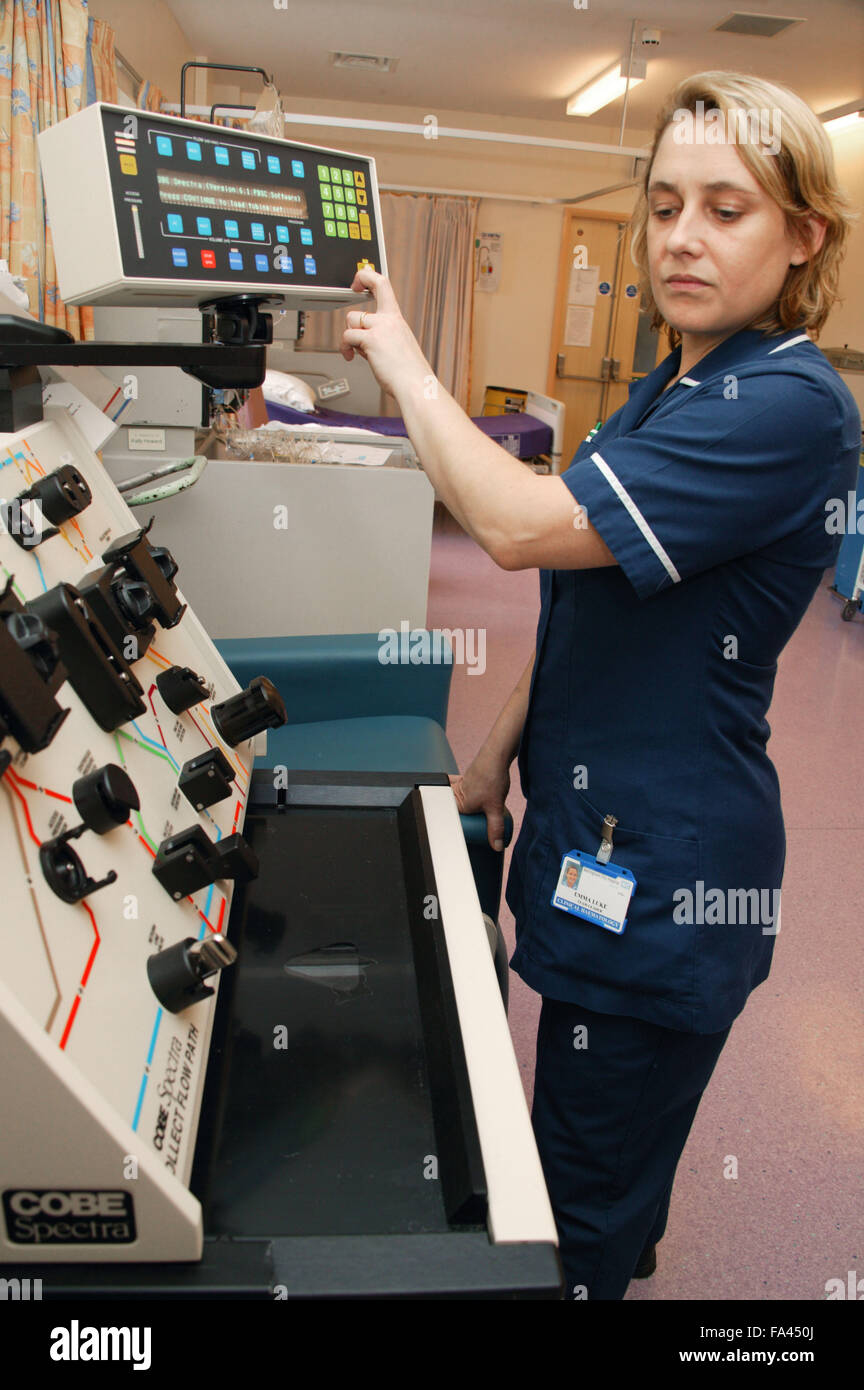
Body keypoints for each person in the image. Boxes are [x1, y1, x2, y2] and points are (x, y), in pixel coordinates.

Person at [340, 71, 860, 1299]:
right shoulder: (672, 383)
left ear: (804, 237)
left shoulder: (786, 405)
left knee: (581, 1187)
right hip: (595, 826)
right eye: (666, 201)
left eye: (728, 208)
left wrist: (406, 362)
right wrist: (488, 761)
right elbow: (587, 604)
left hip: (670, 876)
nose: (682, 234)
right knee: (603, 1133)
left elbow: (516, 530)